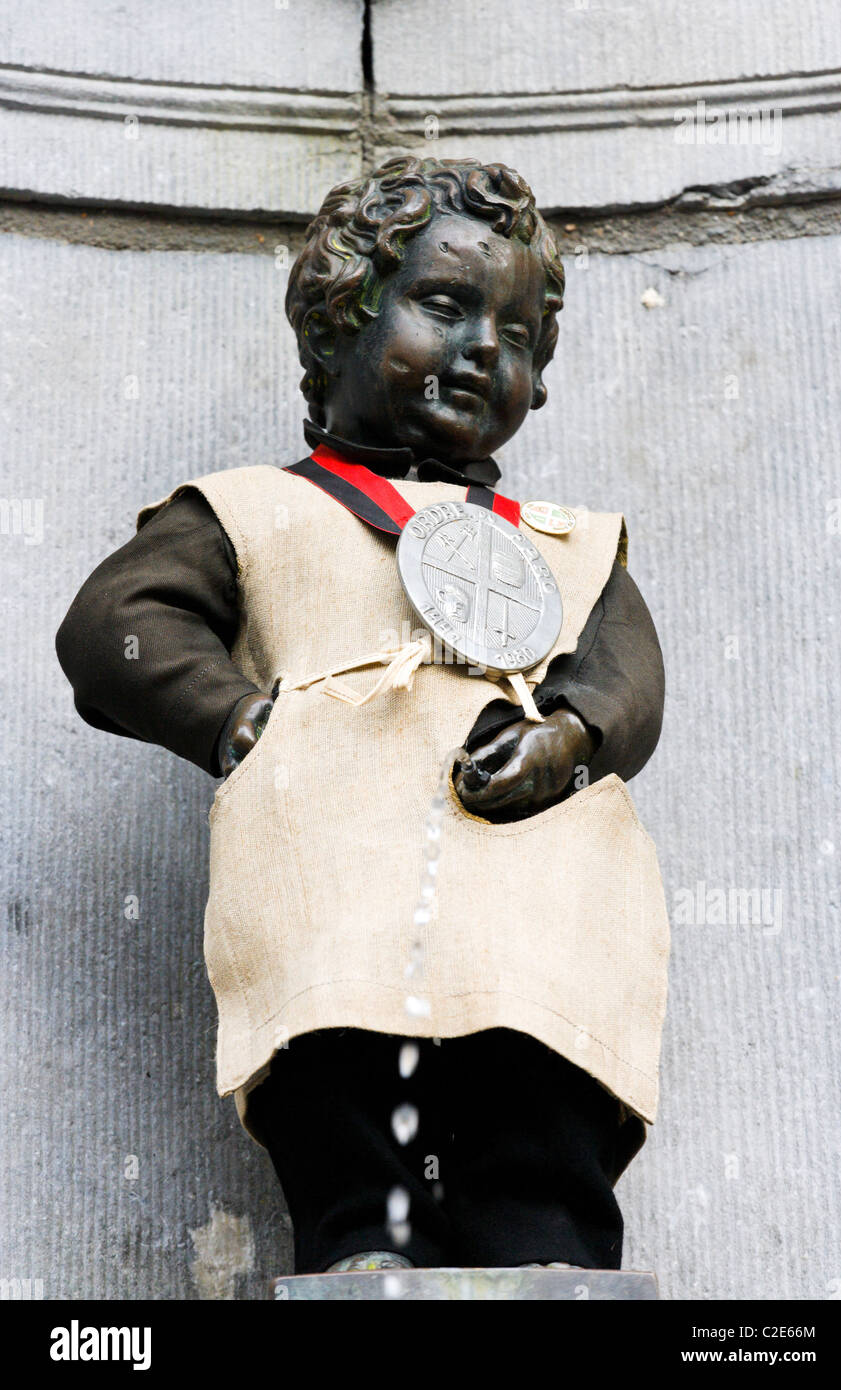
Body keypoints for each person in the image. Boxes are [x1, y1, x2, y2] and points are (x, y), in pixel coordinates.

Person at [56, 156, 668, 1275]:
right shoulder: (252, 510)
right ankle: (363, 1257)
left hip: (540, 920)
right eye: (443, 304)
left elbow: (627, 676)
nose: (488, 346)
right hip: (332, 893)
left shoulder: (569, 543)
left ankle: (549, 1258)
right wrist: (236, 721)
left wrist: (571, 736)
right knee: (348, 1117)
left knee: (539, 1131)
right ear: (339, 318)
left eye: (520, 333)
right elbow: (115, 625)